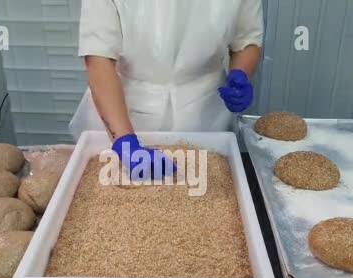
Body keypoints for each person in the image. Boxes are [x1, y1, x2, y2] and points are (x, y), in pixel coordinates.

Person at [70, 0, 264, 176]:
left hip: (205, 115)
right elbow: (98, 59)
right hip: (123, 114)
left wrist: (240, 73)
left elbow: (247, 39)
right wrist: (125, 142)